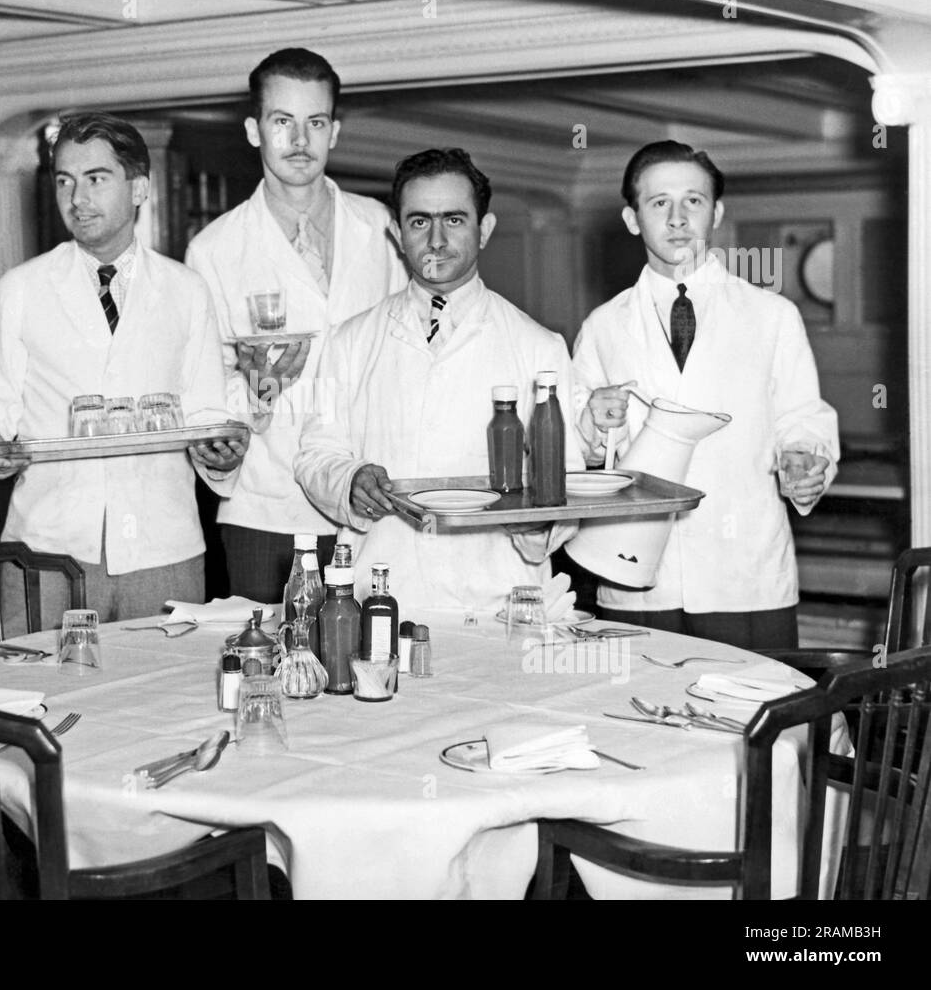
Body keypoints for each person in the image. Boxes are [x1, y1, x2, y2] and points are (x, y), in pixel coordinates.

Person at [0, 112, 244, 622]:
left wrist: (219, 453)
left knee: (161, 695)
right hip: (46, 549)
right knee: (38, 695)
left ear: (139, 188)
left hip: (163, 546)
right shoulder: (20, 289)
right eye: (65, 181)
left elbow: (206, 411)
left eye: (96, 179)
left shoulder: (186, 290)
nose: (77, 199)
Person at [572, 140, 839, 648]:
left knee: (757, 720)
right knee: (640, 721)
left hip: (743, 574)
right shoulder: (603, 326)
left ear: (716, 212)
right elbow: (573, 447)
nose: (677, 218)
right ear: (633, 219)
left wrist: (806, 459)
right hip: (636, 574)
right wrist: (590, 420)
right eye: (658, 203)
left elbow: (802, 418)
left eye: (692, 201)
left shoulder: (772, 317)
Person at [294, 148, 580, 613]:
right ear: (396, 232)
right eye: (420, 222)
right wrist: (349, 480)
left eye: (454, 219)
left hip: (496, 599)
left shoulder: (539, 346)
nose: (437, 240)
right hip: (381, 594)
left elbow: (565, 479)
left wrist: (533, 524)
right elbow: (316, 453)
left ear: (484, 230)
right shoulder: (350, 341)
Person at [185, 47, 407, 601]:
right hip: (268, 502)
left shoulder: (380, 226)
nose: (299, 141)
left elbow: (405, 344)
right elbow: (205, 384)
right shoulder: (214, 249)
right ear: (255, 131)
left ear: (335, 130)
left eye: (315, 122)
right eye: (282, 122)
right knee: (269, 668)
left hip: (372, 495)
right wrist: (255, 395)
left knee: (376, 658)